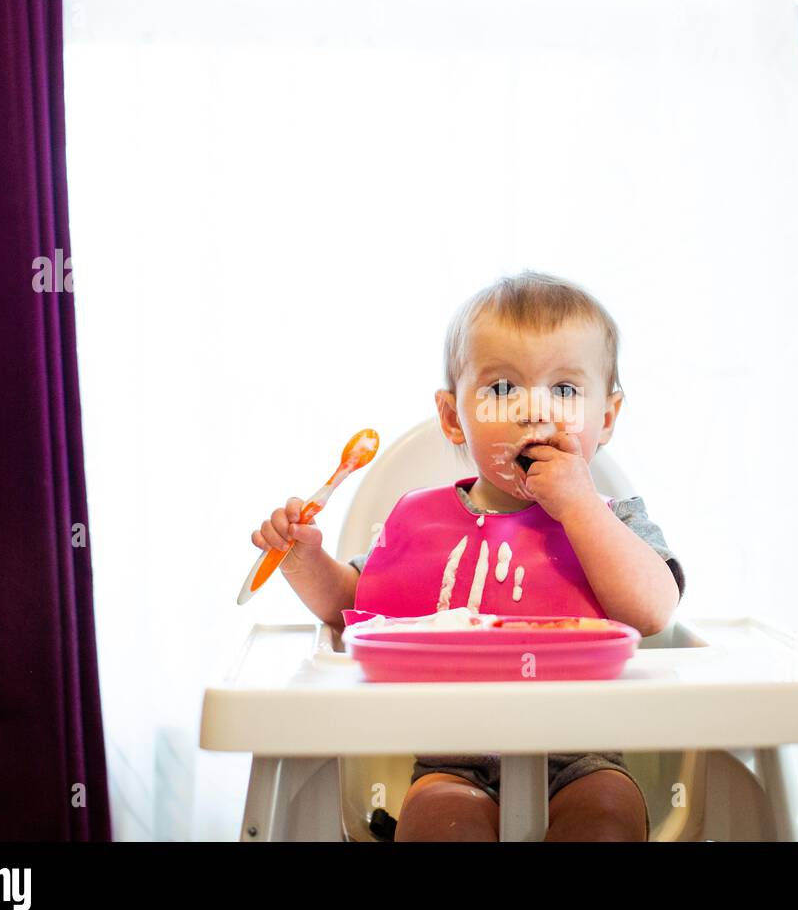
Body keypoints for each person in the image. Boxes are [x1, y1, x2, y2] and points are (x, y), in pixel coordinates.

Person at [249, 270, 686, 841]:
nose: (535, 411)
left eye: (566, 389)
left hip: (585, 753)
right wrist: (302, 558)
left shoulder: (615, 520)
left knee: (606, 817)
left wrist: (578, 505)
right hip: (452, 756)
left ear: (606, 418)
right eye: (503, 389)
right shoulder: (420, 523)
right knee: (436, 823)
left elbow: (654, 611)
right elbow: (352, 606)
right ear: (454, 416)